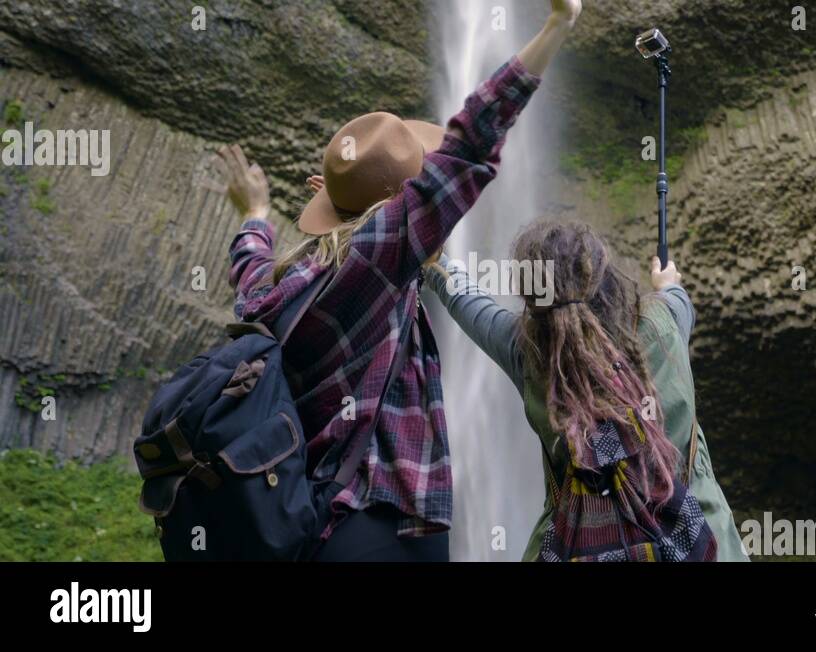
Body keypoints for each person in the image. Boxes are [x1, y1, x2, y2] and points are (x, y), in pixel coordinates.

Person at [213, 0, 584, 561]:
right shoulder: (375, 262)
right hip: (389, 522)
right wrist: (556, 28)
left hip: (318, 523)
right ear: (393, 211)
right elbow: (469, 145)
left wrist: (254, 215)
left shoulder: (289, 286)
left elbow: (250, 277)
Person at [425, 221, 749, 561]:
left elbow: (468, 302)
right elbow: (677, 299)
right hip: (702, 544)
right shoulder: (663, 323)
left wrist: (434, 262)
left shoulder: (527, 352)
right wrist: (668, 284)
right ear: (607, 278)